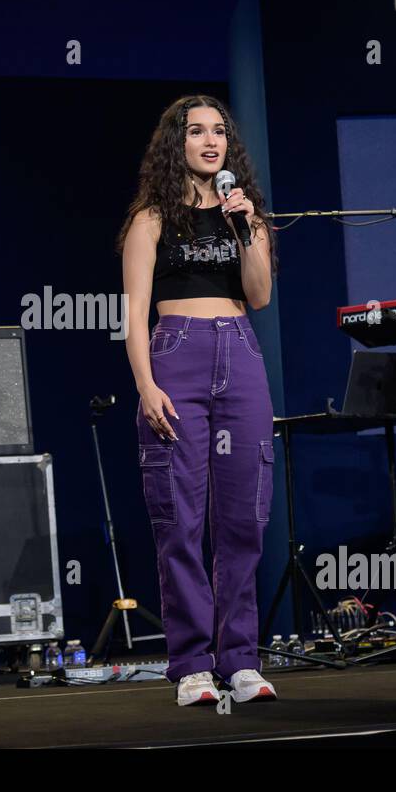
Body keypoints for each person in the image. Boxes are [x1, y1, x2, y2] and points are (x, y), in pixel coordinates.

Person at [118, 94, 279, 707]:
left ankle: (240, 659)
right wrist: (145, 382)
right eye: (195, 132)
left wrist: (247, 230)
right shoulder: (151, 217)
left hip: (239, 351)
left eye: (219, 131)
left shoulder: (247, 215)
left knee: (244, 519)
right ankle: (191, 664)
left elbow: (260, 296)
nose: (210, 141)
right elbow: (133, 313)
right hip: (176, 355)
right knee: (180, 519)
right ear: (175, 143)